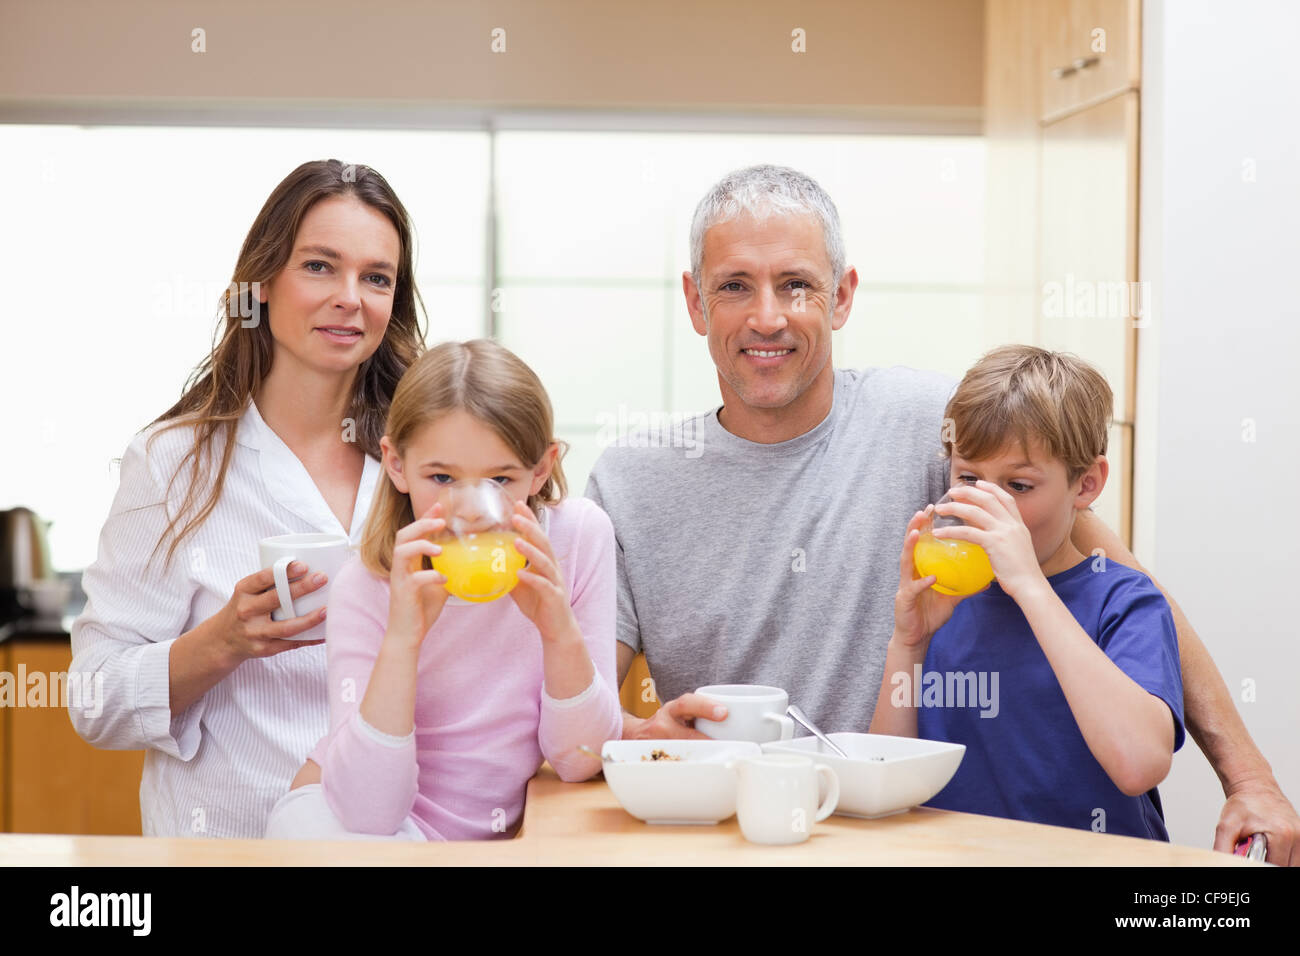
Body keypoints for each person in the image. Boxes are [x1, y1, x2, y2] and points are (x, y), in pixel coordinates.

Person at [585, 163, 1299, 863]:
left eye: (796, 284)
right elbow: (575, 716)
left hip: (908, 846)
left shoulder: (941, 428)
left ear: (841, 297)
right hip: (731, 849)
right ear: (695, 301)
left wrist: (1251, 781)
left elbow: (1124, 591)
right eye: (735, 286)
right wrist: (643, 735)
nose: (766, 316)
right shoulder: (630, 480)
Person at [68, 159, 426, 838]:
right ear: (261, 284)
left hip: (398, 847)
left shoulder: (425, 462)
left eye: (376, 277)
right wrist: (222, 642)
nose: (351, 297)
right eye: (320, 266)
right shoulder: (174, 463)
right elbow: (93, 700)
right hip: (228, 848)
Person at [264, 340, 620, 841]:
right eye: (442, 477)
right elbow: (370, 815)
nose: (471, 510)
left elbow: (580, 761)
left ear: (541, 468)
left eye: (500, 478)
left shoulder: (577, 540)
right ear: (395, 464)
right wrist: (402, 640)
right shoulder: (366, 586)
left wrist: (558, 630)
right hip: (351, 818)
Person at [870, 345, 1183, 838]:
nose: (988, 504)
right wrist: (907, 645)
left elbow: (1139, 764)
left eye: (1018, 485)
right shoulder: (947, 604)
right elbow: (884, 784)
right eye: (969, 478)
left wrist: (1031, 588)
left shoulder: (1124, 602)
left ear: (1086, 485)